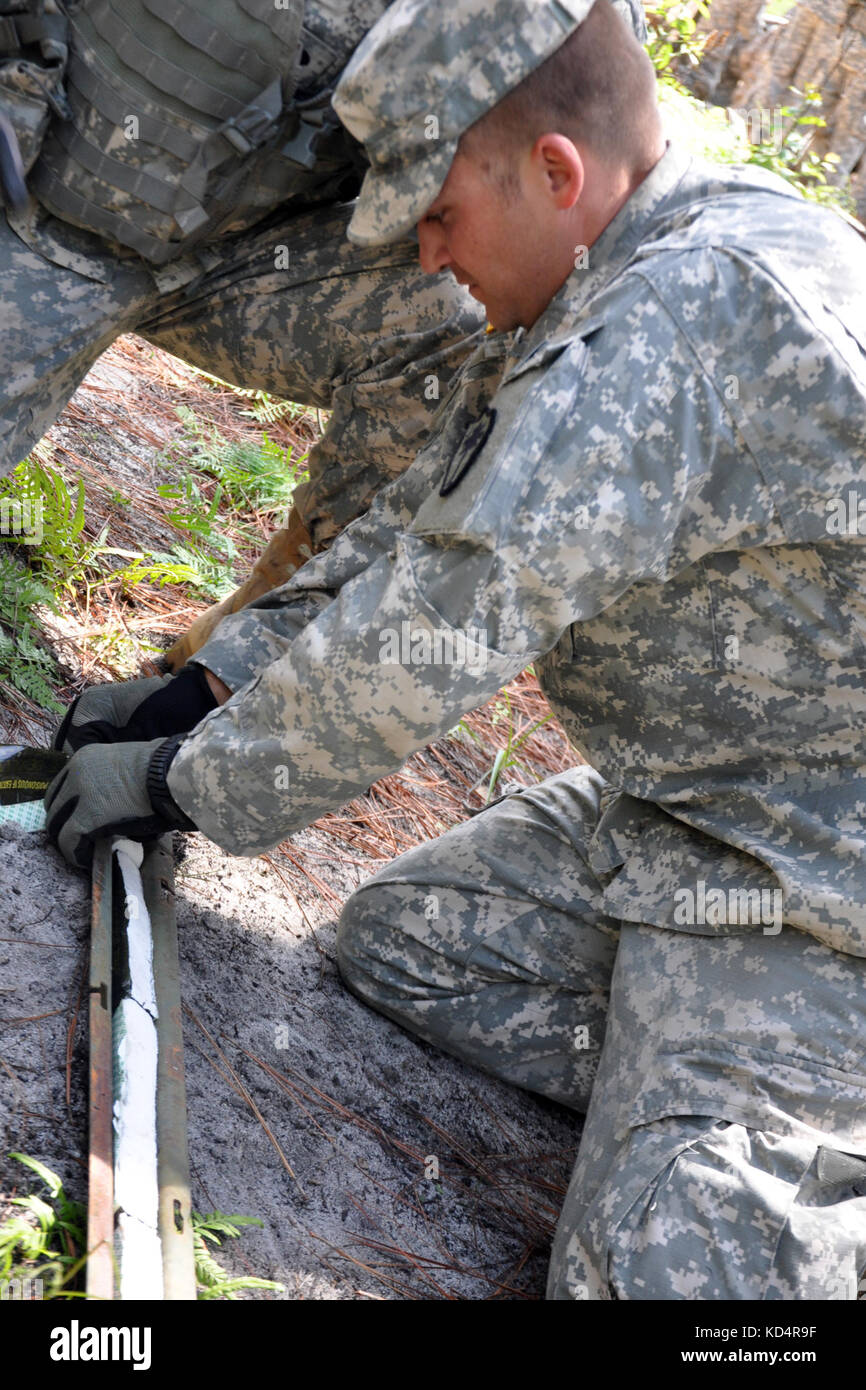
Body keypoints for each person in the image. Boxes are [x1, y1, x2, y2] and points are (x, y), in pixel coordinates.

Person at [45, 0, 866, 1299]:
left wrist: (179, 783)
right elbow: (419, 532)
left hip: (821, 892)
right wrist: (198, 693)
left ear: (555, 173)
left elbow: (431, 635)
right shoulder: (618, 258)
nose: (427, 256)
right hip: (688, 812)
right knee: (408, 942)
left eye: (438, 212)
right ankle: (703, 1048)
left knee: (658, 1262)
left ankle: (783, 1097)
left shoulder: (672, 325)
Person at [0, 0, 645, 670]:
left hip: (243, 248)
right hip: (44, 206)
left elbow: (579, 137)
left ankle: (228, 669)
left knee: (457, 336)